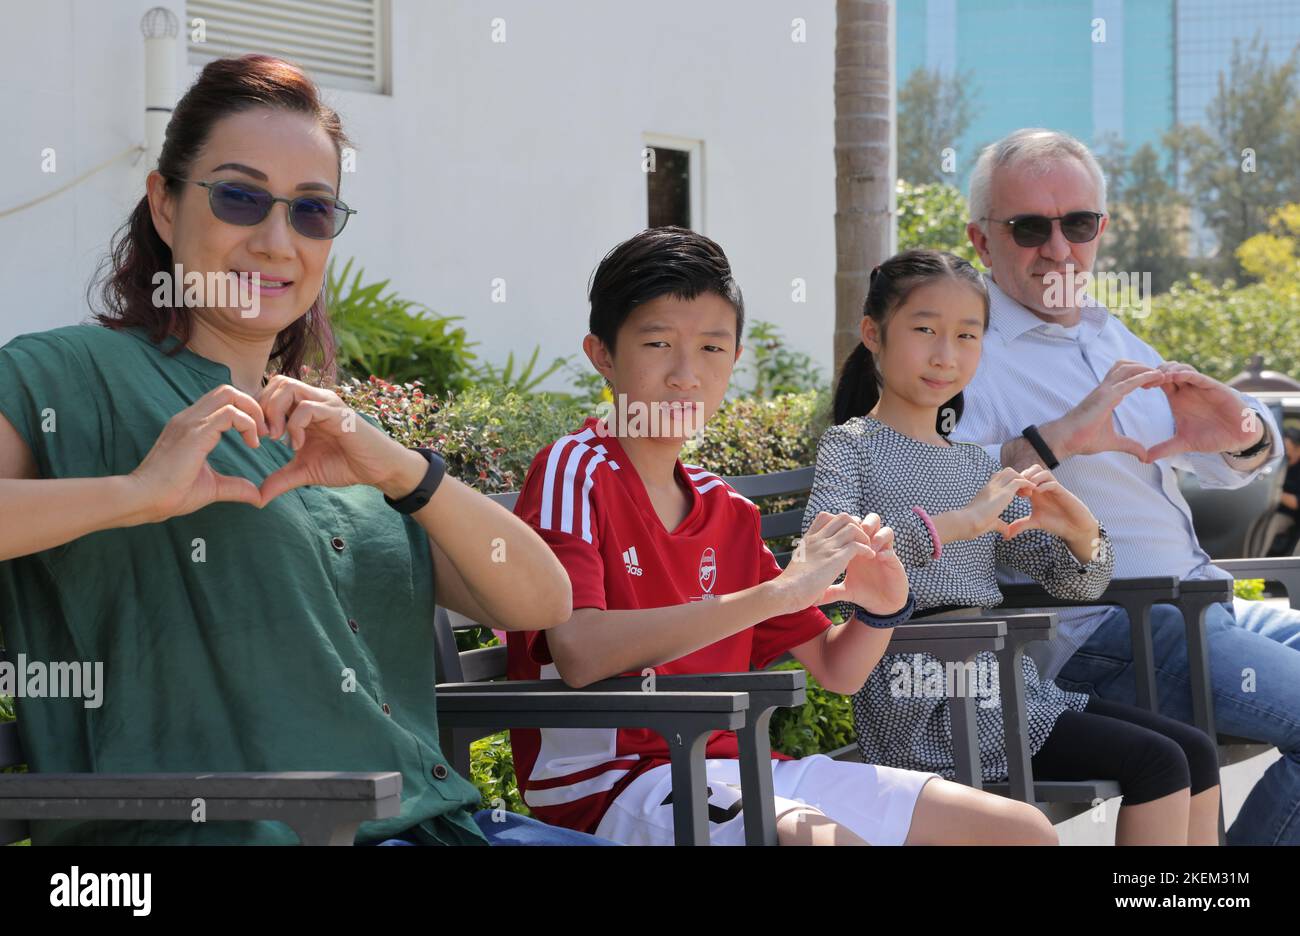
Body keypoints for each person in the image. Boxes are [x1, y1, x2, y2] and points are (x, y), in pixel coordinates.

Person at [0, 54, 602, 846]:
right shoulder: (66, 376)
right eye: (240, 197)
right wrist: (137, 494)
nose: (277, 240)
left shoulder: (331, 436)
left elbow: (541, 602)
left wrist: (404, 471)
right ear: (165, 204)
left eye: (312, 211)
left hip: (443, 828)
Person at [502, 226, 1058, 845]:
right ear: (602, 354)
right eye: (658, 343)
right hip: (614, 786)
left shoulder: (727, 511)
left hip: (742, 769)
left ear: (735, 360)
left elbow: (837, 669)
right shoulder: (574, 469)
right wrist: (781, 592)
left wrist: (879, 608)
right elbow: (579, 651)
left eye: (713, 349)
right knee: (823, 842)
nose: (687, 375)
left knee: (1017, 831)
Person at [948, 127, 1300, 845]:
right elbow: (936, 488)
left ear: (1100, 229)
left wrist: (1242, 432)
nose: (1058, 248)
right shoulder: (964, 351)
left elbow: (1224, 438)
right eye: (1028, 227)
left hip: (1203, 606)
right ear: (982, 242)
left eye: (1077, 224)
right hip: (1108, 629)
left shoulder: (1106, 335)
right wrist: (1051, 441)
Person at [807, 248, 1220, 844]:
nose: (945, 355)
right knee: (1158, 764)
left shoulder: (976, 461)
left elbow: (1073, 583)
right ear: (873, 333)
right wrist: (958, 523)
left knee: (1194, 753)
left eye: (967, 335)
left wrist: (1080, 533)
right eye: (924, 330)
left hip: (1003, 687)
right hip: (924, 695)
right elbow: (829, 560)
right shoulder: (852, 445)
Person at [1266, 426, 1300, 557]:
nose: (1284, 456)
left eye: (1288, 452)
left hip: (1291, 517)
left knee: (1272, 524)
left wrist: (1275, 493)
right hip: (1269, 509)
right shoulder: (1279, 464)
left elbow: (1296, 503)